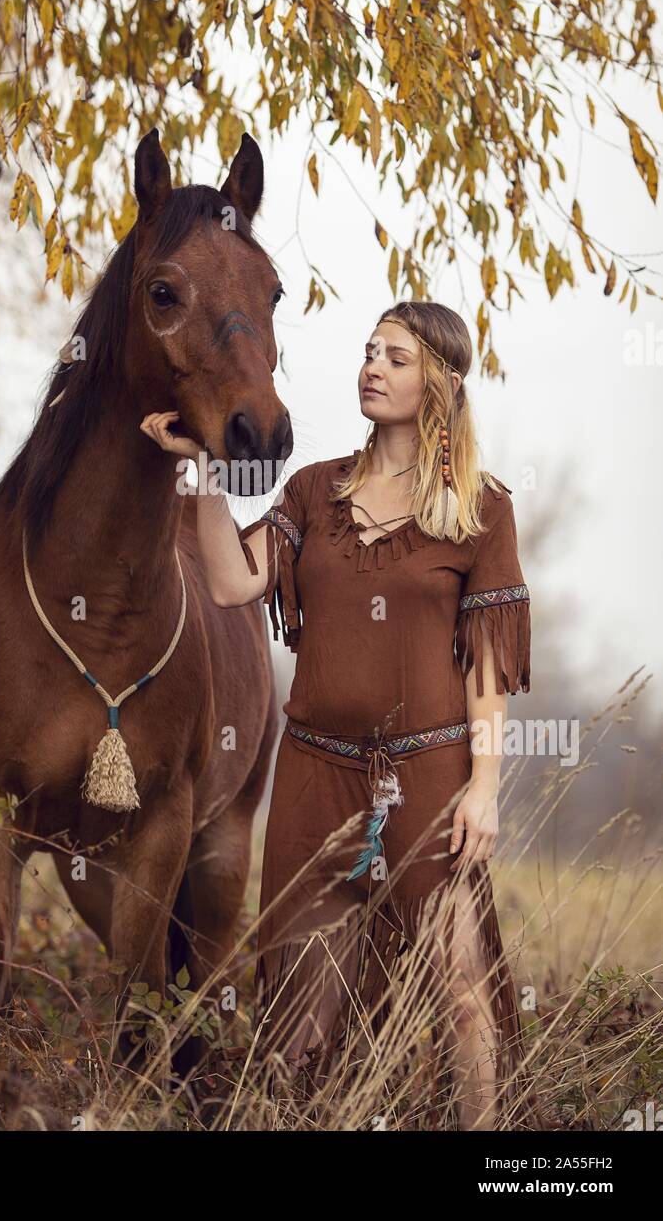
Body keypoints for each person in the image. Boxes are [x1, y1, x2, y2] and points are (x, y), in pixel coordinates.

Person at [141, 299, 536, 1130]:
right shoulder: (316, 492)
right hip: (315, 774)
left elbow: (490, 664)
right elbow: (229, 582)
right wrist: (208, 474)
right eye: (368, 352)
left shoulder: (481, 509)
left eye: (394, 357)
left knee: (461, 995)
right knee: (298, 1014)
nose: (371, 367)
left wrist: (485, 788)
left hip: (430, 777)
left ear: (440, 381)